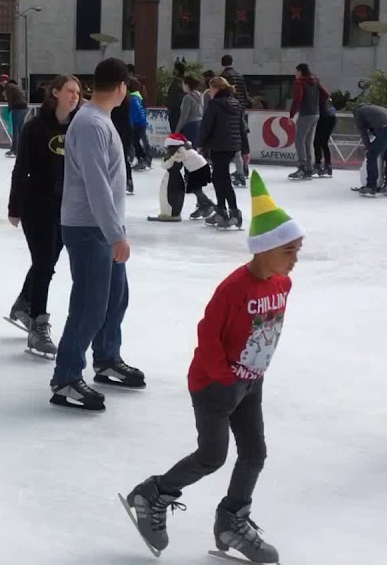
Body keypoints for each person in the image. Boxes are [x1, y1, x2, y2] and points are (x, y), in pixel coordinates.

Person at [122, 172, 300, 565]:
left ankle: (232, 520)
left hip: (250, 383)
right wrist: (223, 379)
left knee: (255, 453)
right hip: (214, 384)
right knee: (211, 456)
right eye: (289, 250)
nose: (295, 259)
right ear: (264, 249)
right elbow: (207, 336)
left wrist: (250, 375)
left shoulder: (282, 285)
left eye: (297, 250)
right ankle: (154, 493)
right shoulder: (234, 289)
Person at [50, 58, 144, 412]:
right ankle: (65, 378)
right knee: (90, 305)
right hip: (89, 228)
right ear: (121, 86)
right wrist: (115, 234)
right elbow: (96, 185)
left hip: (105, 227)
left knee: (116, 297)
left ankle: (106, 358)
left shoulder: (101, 120)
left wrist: (115, 230)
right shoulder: (91, 124)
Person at [8, 75, 80, 358]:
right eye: (70, 91)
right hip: (36, 205)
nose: (74, 96)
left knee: (47, 263)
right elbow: (21, 168)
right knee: (43, 262)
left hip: (67, 207)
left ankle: (23, 303)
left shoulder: (78, 127)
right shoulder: (35, 127)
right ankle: (38, 324)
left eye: (78, 92)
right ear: (56, 92)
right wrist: (14, 207)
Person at [200, 77, 244, 230]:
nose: (209, 92)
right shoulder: (236, 103)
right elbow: (241, 126)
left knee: (222, 179)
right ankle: (221, 210)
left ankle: (234, 212)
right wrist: (245, 148)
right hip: (231, 146)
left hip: (218, 146)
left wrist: (201, 144)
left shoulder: (215, 104)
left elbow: (206, 126)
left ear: (217, 88)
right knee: (219, 178)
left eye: (211, 88)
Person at [352, 104, 387, 197]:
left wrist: (369, 148)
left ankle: (371, 187)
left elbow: (363, 133)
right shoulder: (377, 108)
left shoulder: (359, 112)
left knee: (372, 155)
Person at [287, 64, 321, 180]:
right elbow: (325, 94)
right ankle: (309, 167)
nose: (295, 74)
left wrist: (291, 115)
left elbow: (297, 99)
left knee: (299, 141)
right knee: (308, 141)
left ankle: (302, 167)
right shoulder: (315, 81)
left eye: (296, 71)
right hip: (316, 113)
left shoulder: (299, 82)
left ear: (300, 71)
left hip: (305, 114)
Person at [312, 80, 337, 178]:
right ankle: (326, 165)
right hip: (328, 117)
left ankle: (321, 165)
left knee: (319, 142)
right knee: (320, 142)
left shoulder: (316, 92)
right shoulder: (321, 91)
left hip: (325, 117)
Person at [174, 76, 204, 147]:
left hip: (190, 125)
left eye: (183, 84)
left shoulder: (187, 98)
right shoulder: (200, 95)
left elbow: (184, 116)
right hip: (200, 123)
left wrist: (177, 129)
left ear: (187, 85)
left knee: (188, 148)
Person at [4, 77, 29, 158]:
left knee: (16, 130)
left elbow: (10, 100)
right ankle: (21, 149)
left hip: (18, 108)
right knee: (20, 130)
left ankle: (15, 150)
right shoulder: (15, 86)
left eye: (2, 81)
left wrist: (9, 110)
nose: (2, 83)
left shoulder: (9, 87)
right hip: (24, 108)